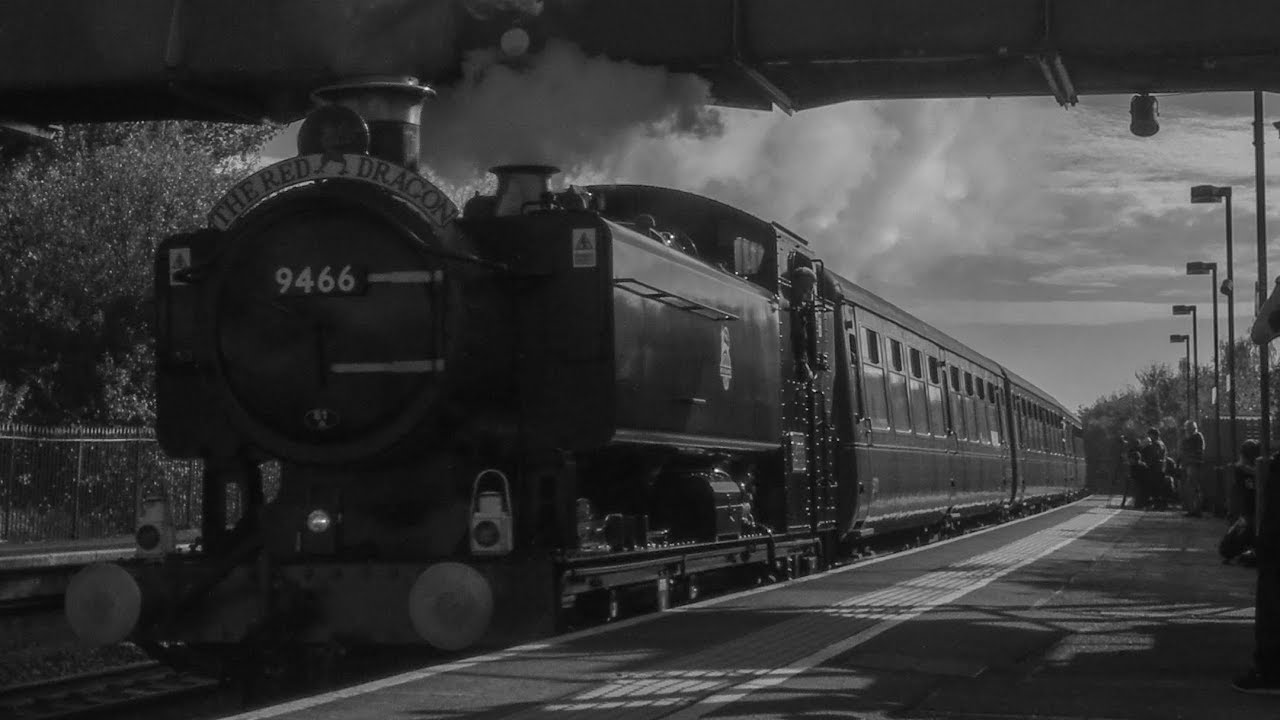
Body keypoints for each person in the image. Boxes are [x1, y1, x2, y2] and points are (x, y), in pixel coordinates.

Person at [1179, 421, 1206, 516]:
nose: (1186, 431)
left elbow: (1196, 451)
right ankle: (1193, 509)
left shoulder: (1196, 437)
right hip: (1190, 464)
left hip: (1194, 464)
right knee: (1191, 488)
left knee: (1194, 488)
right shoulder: (1191, 438)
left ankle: (1196, 510)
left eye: (1188, 429)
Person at [1140, 427, 1168, 510]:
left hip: (1156, 468)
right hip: (1160, 468)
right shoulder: (1161, 443)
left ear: (1153, 435)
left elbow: (1153, 456)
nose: (1148, 437)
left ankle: (1156, 504)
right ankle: (1158, 504)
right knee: (1158, 487)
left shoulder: (1156, 444)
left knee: (1154, 487)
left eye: (1149, 435)